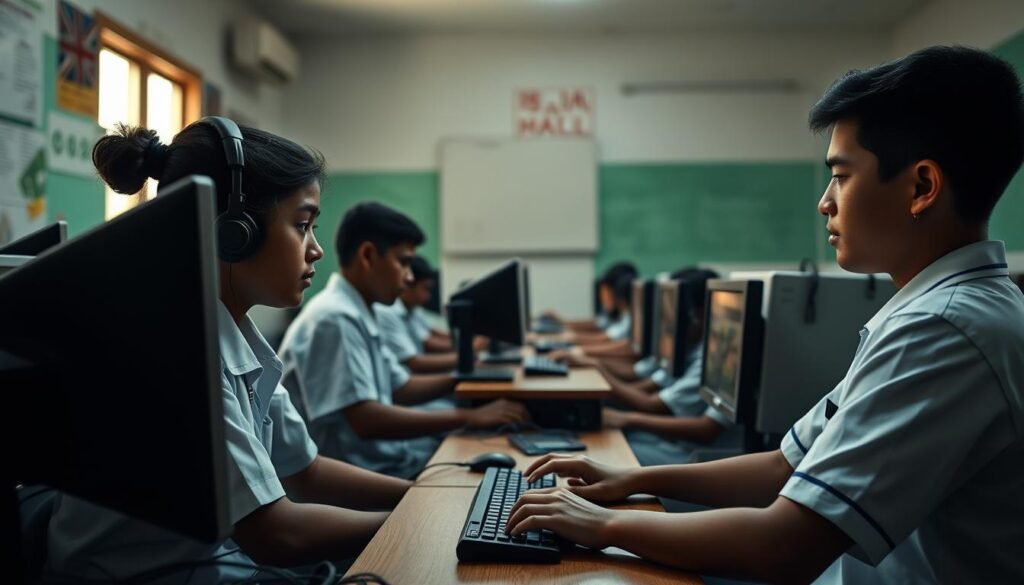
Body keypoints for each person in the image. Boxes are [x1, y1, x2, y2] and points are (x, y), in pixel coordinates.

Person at [507, 46, 1024, 584]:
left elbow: (785, 546)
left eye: (841, 176)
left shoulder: (944, 329)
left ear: (921, 187)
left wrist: (604, 525)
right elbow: (785, 464)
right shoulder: (933, 312)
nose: (826, 201)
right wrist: (627, 480)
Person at [47, 120, 412, 584]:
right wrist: (419, 520)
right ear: (234, 232)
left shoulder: (233, 336)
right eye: (302, 226)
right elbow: (276, 535)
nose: (316, 249)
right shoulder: (176, 351)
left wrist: (424, 496)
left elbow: (306, 470)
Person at [279, 202, 529, 479]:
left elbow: (400, 387)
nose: (409, 276)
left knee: (494, 461)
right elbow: (366, 420)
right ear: (368, 255)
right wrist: (469, 417)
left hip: (389, 457)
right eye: (404, 262)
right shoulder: (335, 318)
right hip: (367, 472)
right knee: (488, 471)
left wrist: (469, 376)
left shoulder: (360, 310)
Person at [375, 255, 459, 374]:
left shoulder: (413, 309)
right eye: (425, 289)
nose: (428, 296)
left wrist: (465, 342)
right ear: (408, 286)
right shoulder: (387, 311)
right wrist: (467, 353)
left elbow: (431, 332)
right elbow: (415, 361)